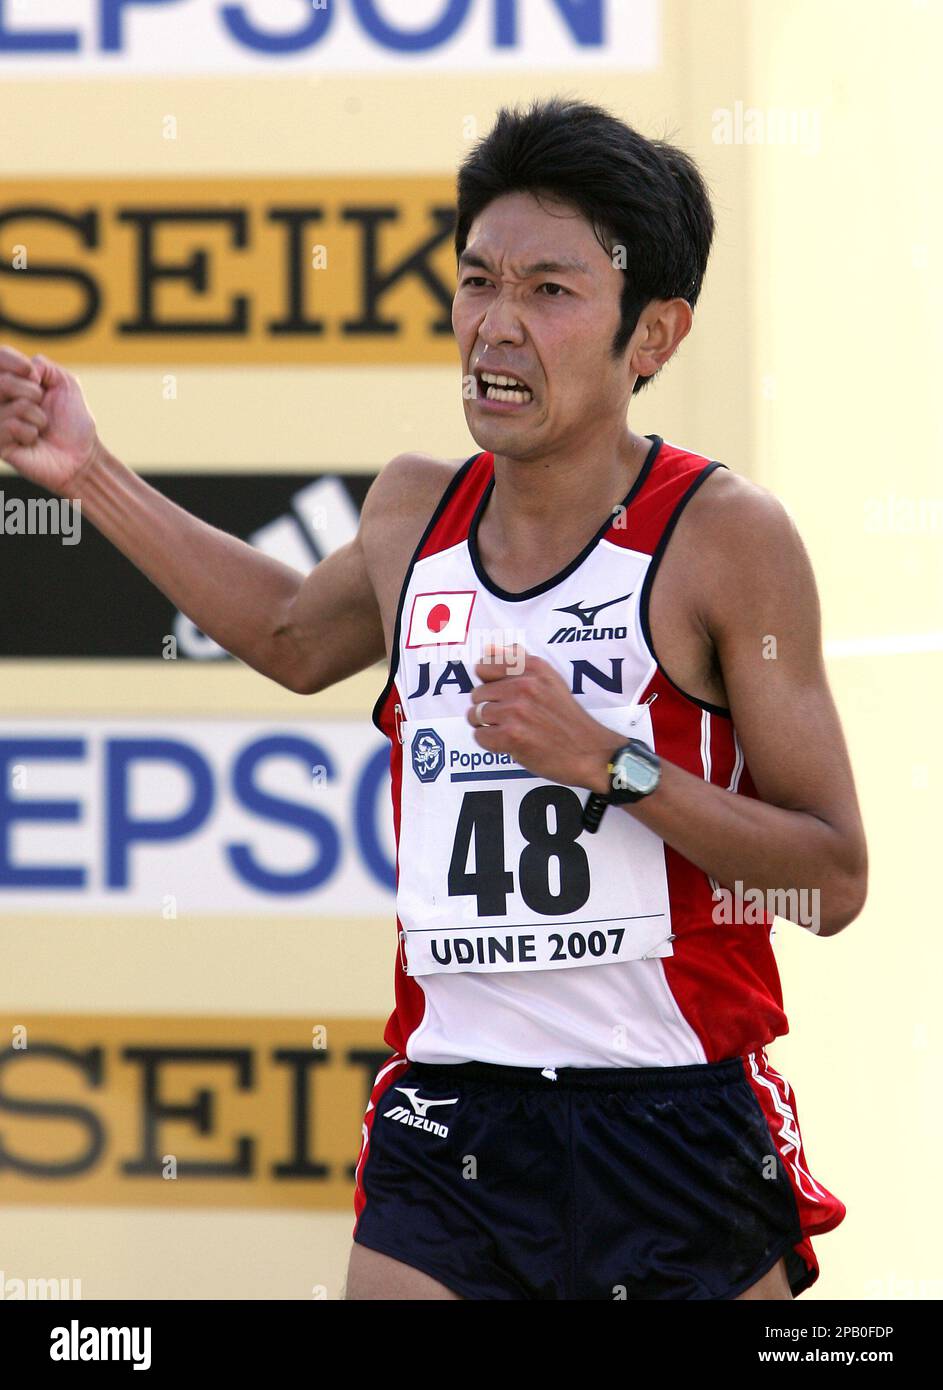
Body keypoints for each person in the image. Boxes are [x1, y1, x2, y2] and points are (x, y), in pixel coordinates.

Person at [0, 97, 867, 1301]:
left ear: (654, 333)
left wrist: (610, 763)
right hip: (452, 1107)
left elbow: (830, 882)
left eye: (550, 292)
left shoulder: (722, 538)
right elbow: (293, 638)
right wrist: (87, 471)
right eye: (475, 280)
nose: (494, 327)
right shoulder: (416, 511)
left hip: (670, 1113)